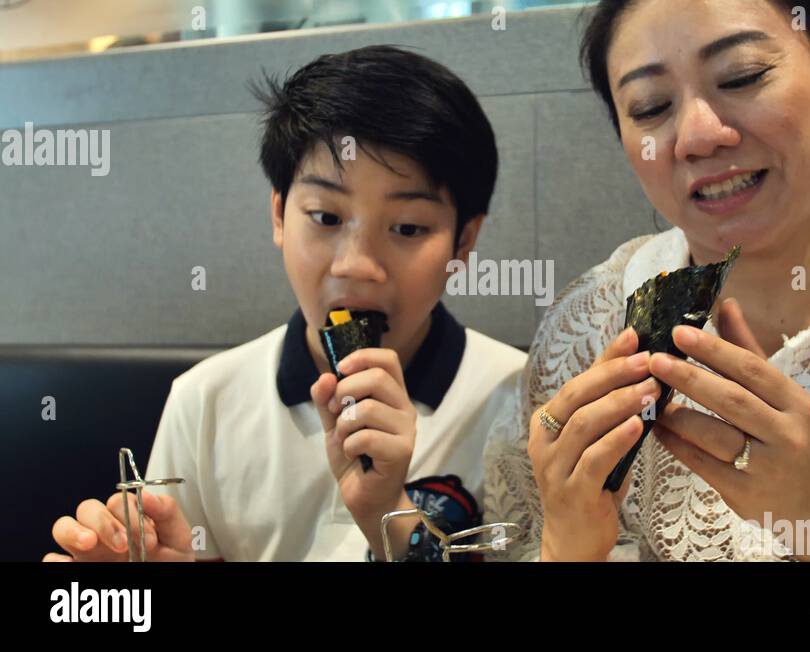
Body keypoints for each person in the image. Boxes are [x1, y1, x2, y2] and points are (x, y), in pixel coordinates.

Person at [484, 0, 810, 561]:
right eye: (652, 106)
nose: (698, 136)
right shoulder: (582, 327)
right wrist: (568, 546)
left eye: (743, 76)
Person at [44, 46, 526, 562]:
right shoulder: (204, 401)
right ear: (279, 215)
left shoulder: (523, 402)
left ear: (463, 242)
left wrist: (388, 507)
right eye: (325, 217)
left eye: (407, 227)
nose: (356, 265)